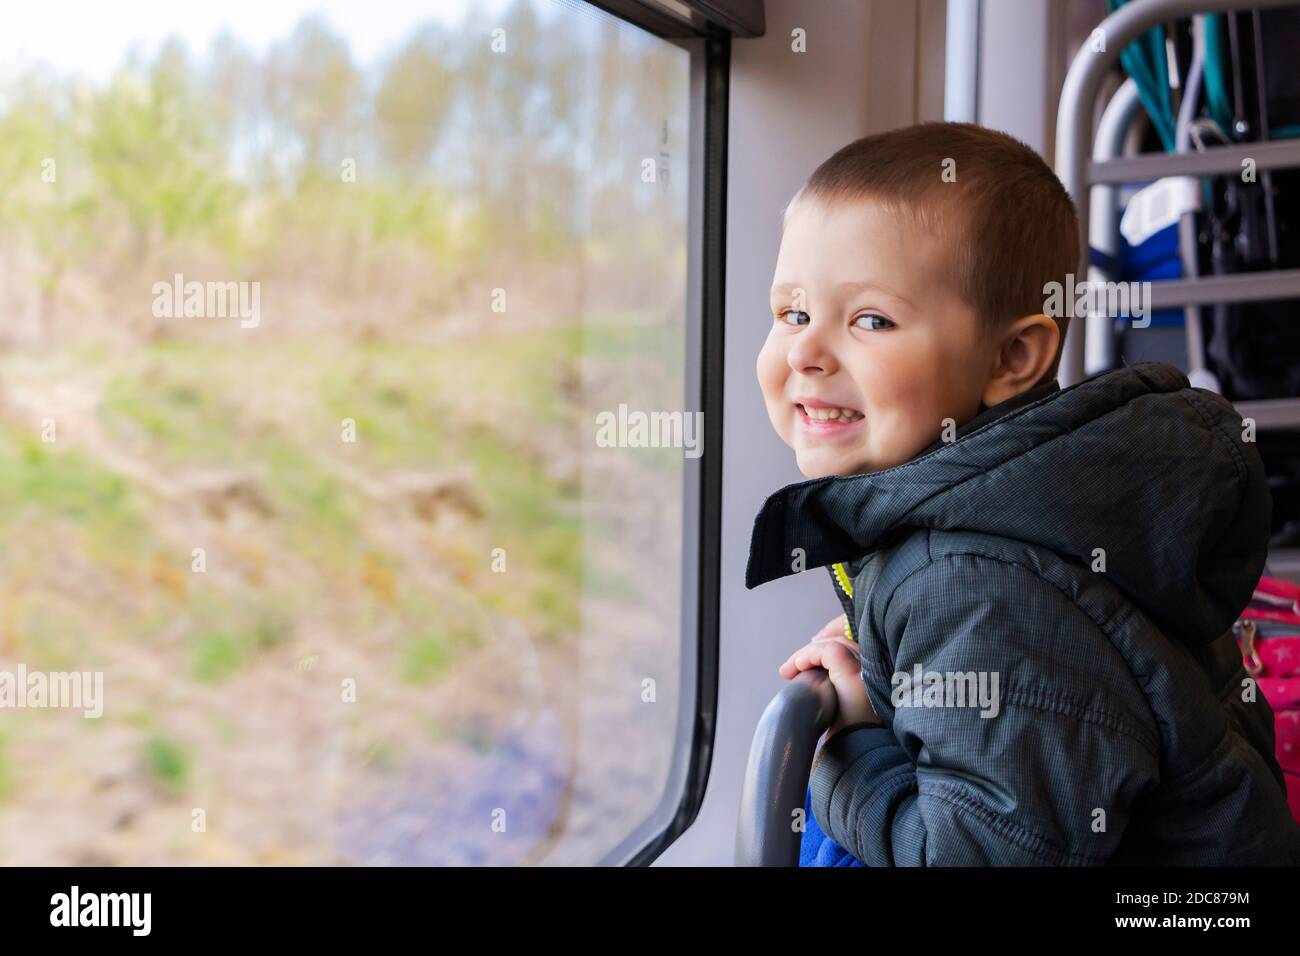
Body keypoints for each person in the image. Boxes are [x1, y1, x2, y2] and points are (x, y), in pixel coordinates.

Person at [746, 122, 1300, 865]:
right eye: (792, 313)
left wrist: (848, 751)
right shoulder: (1004, 518)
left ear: (1013, 357)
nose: (807, 353)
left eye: (870, 319)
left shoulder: (981, 587)